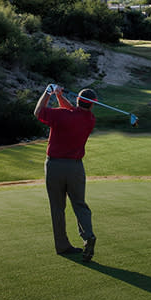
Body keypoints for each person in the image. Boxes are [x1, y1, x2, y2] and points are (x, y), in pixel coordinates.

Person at [33, 84, 97, 262]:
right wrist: (60, 96)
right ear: (92, 105)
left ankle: (62, 245)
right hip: (75, 168)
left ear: (77, 100)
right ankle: (88, 235)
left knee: (57, 207)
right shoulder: (90, 119)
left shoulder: (60, 115)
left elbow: (38, 112)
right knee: (79, 204)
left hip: (54, 166)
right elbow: (73, 110)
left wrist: (48, 92)